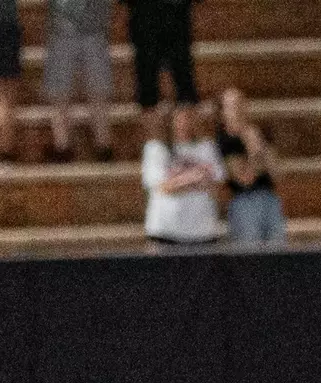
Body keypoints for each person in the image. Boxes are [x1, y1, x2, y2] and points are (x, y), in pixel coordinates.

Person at [42, 0, 114, 163]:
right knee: (59, 91)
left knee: (98, 89)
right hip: (62, 28)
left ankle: (103, 145)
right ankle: (62, 146)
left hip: (94, 26)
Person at [141, 104, 221, 245]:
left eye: (188, 119)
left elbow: (218, 185)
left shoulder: (207, 147)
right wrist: (194, 178)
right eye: (179, 120)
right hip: (165, 230)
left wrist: (179, 183)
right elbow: (162, 187)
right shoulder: (155, 149)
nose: (184, 124)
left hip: (203, 230)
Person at [217, 88, 285, 244]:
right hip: (244, 201)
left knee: (278, 251)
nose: (238, 110)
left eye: (240, 104)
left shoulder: (259, 132)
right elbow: (245, 179)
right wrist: (253, 148)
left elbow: (276, 172)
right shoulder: (225, 141)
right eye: (232, 106)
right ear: (223, 112)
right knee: (250, 252)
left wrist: (258, 142)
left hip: (269, 197)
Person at [122, 0, 198, 125]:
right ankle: (155, 137)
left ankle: (185, 135)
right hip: (145, 23)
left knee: (184, 88)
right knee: (148, 91)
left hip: (176, 22)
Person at [0, 0, 20, 164]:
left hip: (1, 27)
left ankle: (6, 151)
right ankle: (5, 152)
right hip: (4, 27)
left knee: (2, 93)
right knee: (5, 94)